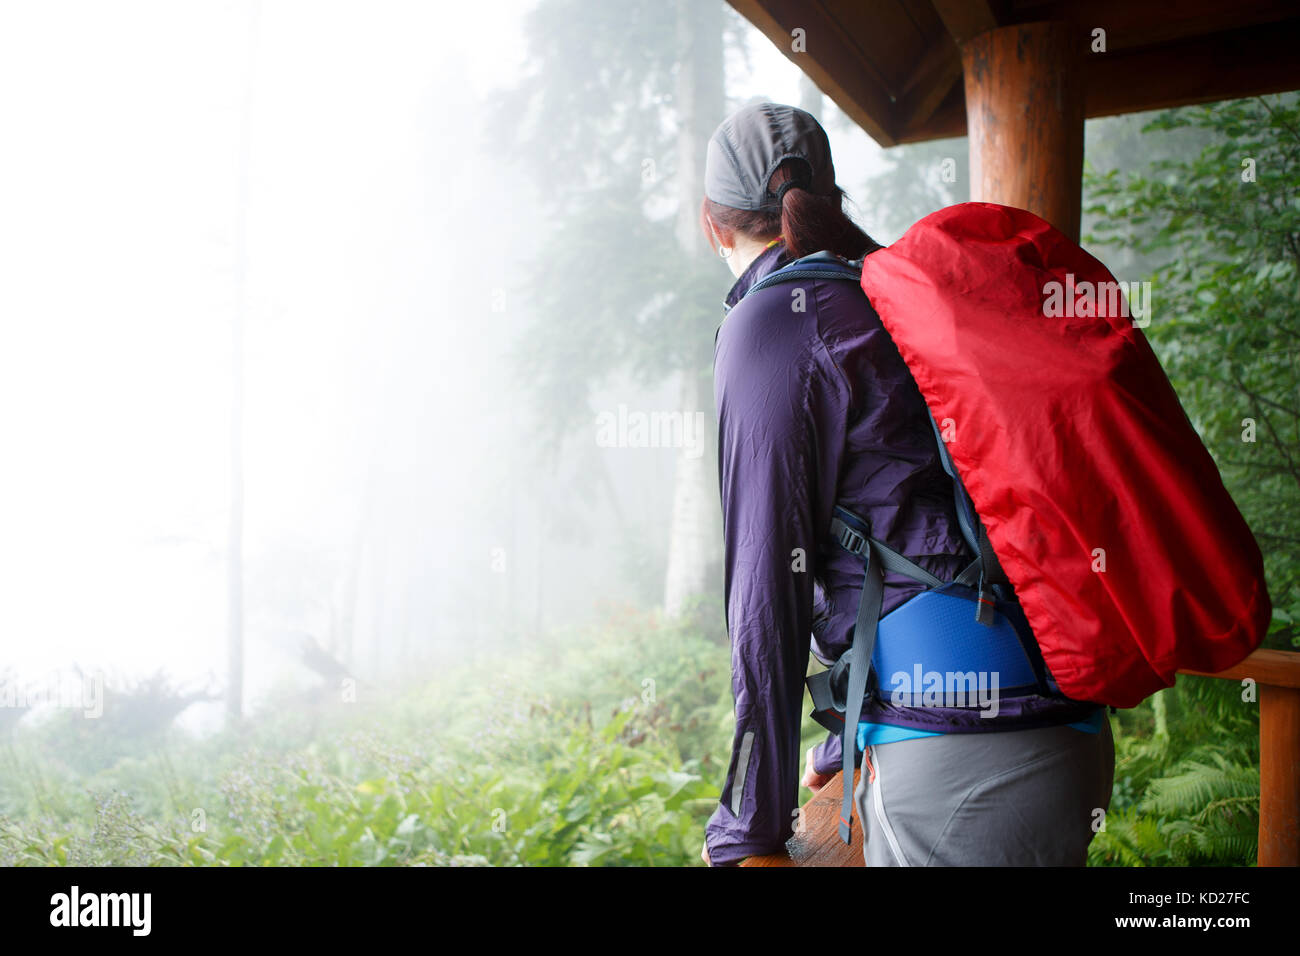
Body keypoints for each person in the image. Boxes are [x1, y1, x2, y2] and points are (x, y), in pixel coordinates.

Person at [697, 101, 1115, 867]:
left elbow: (766, 594)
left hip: (959, 762)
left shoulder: (771, 324)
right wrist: (847, 734)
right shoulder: (904, 296)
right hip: (1068, 730)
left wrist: (747, 833)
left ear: (712, 223)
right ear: (831, 200)